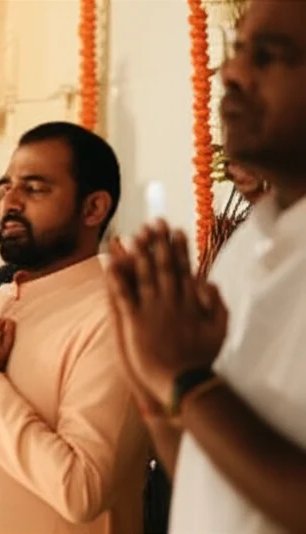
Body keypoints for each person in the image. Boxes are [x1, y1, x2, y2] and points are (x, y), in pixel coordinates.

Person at [104, 2, 306, 532]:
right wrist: (154, 392)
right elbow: (208, 479)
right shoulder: (247, 244)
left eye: (269, 56)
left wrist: (188, 382)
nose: (231, 73)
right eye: (238, 49)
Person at [0, 122, 147, 533]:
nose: (9, 202)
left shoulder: (116, 315)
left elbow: (81, 490)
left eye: (34, 189)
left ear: (93, 208)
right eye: (5, 187)